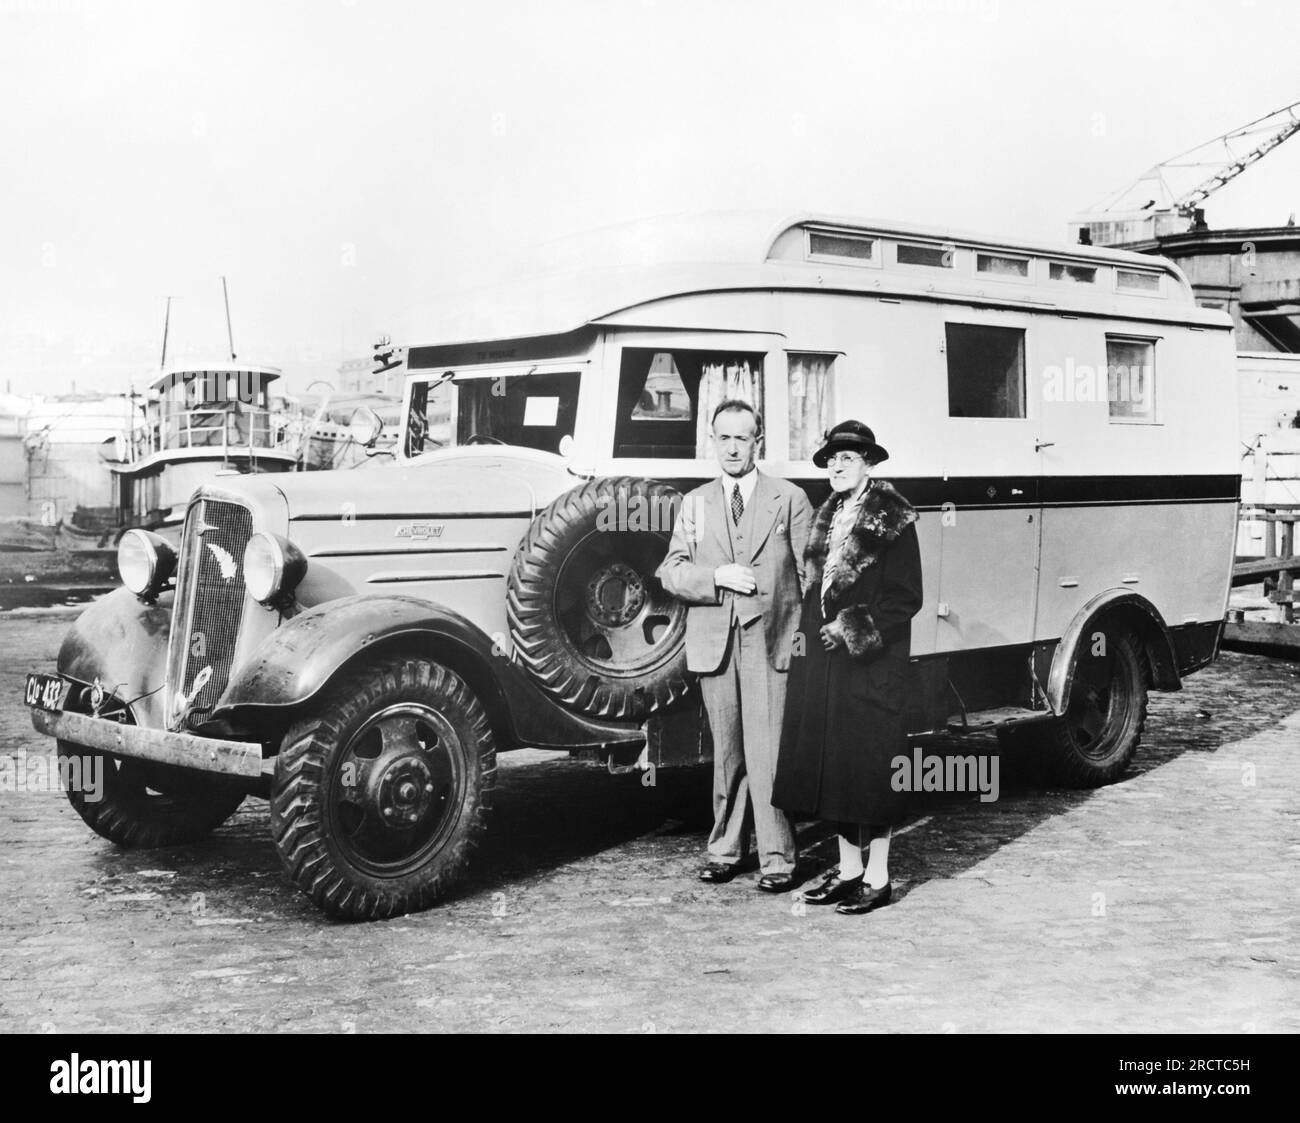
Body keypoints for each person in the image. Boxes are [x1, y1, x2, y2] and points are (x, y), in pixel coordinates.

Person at [657, 399, 813, 892]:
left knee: (767, 754)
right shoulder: (696, 503)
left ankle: (778, 860)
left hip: (770, 643)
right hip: (715, 645)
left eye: (741, 438)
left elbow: (810, 578)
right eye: (722, 437)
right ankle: (725, 851)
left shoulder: (790, 499)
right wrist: (715, 576)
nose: (731, 447)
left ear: (757, 441)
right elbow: (671, 571)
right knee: (727, 756)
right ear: (712, 441)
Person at [772, 420, 923, 915]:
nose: (837, 466)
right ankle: (849, 870)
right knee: (835, 768)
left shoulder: (891, 519)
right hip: (828, 664)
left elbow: (906, 598)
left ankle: (877, 878)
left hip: (872, 666)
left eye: (849, 459)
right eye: (832, 459)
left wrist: (850, 627)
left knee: (870, 772)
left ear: (870, 464)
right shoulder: (829, 514)